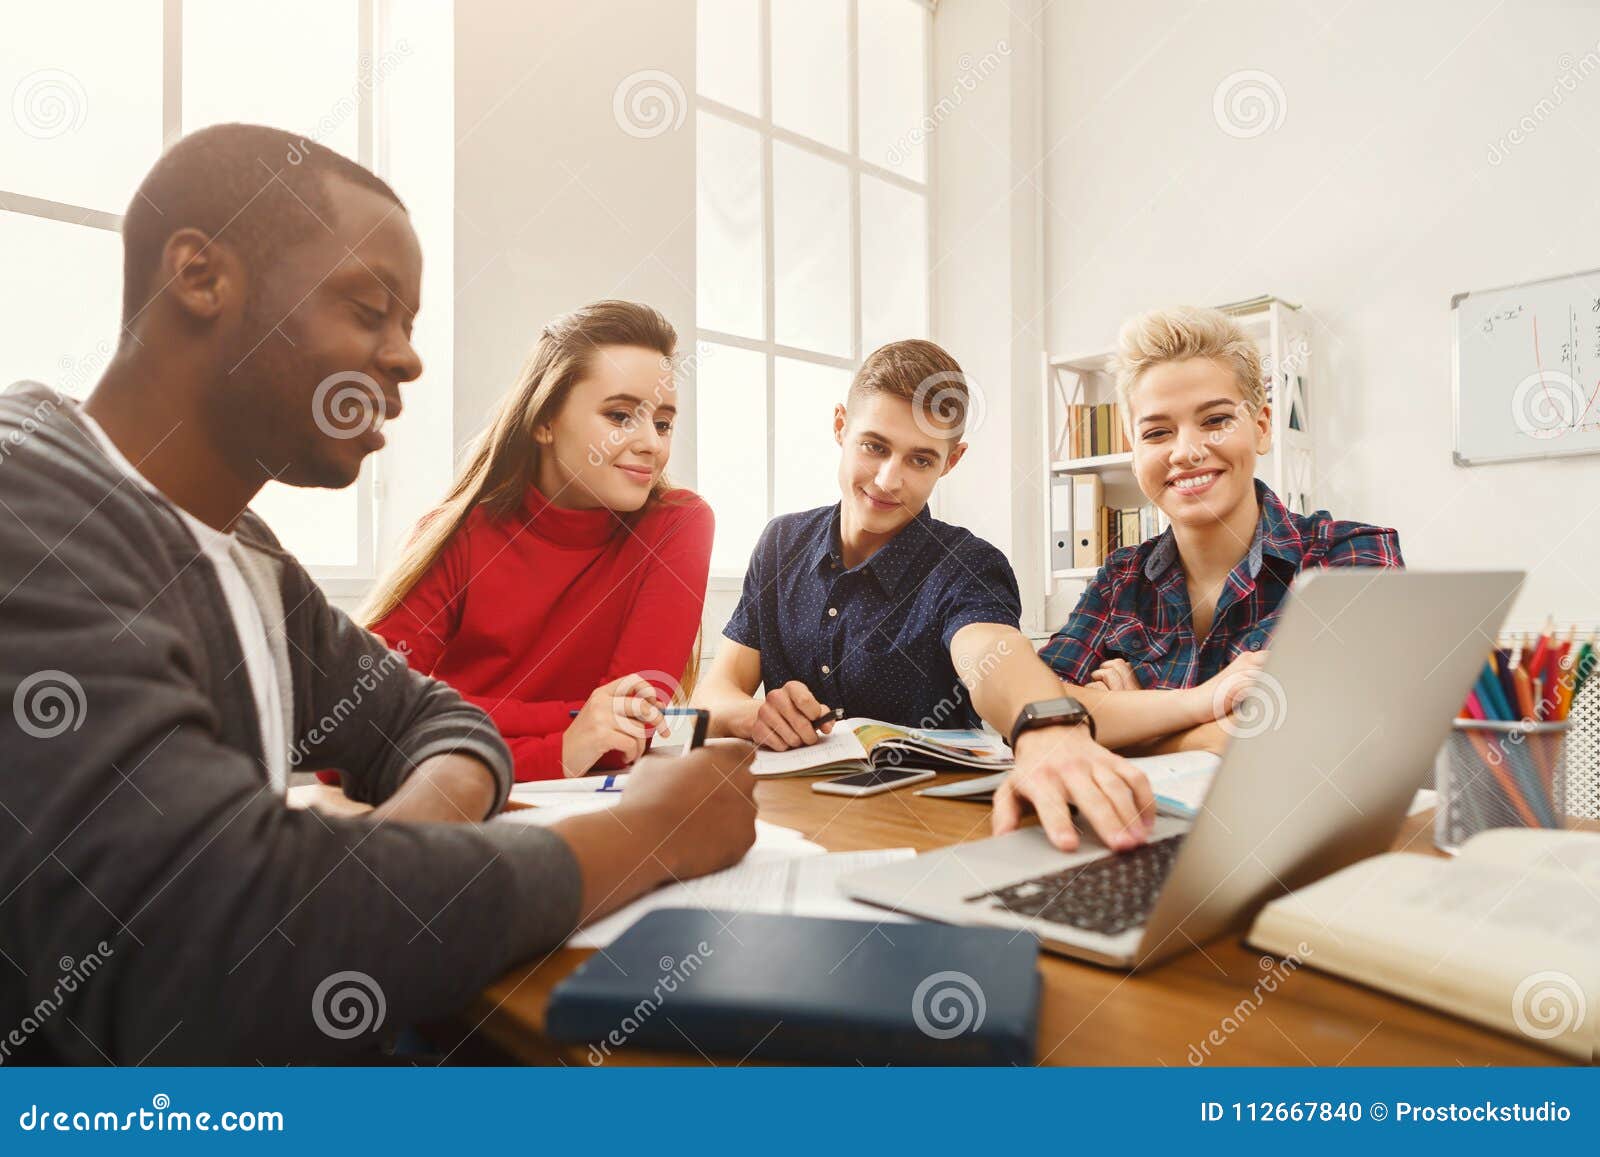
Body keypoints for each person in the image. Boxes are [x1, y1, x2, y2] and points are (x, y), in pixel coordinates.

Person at [0, 124, 756, 1064]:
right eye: (369, 308)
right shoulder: (27, 505)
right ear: (200, 277)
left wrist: (382, 873)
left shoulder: (249, 556)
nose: (407, 360)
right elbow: (243, 935)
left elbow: (435, 721)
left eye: (409, 325)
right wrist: (651, 834)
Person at [693, 339, 1157, 853]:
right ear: (840, 425)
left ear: (951, 461)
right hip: (785, 824)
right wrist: (753, 714)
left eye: (920, 459)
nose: (889, 480)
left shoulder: (967, 563)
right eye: (874, 446)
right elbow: (712, 695)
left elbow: (993, 655)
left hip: (925, 832)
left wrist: (1045, 725)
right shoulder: (782, 542)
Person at [348, 300, 711, 782]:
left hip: (578, 815)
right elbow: (354, 727)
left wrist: (434, 723)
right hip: (462, 810)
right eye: (621, 416)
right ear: (544, 420)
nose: (652, 443)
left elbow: (622, 739)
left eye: (663, 423)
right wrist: (566, 740)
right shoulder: (458, 533)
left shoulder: (678, 524)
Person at [1039, 305, 1404, 753]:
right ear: (1133, 451)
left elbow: (1331, 734)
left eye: (1215, 421)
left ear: (1262, 427)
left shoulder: (1351, 555)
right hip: (1139, 821)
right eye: (1157, 433)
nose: (1187, 452)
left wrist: (1131, 727)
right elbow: (1037, 714)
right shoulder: (1120, 579)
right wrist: (1200, 706)